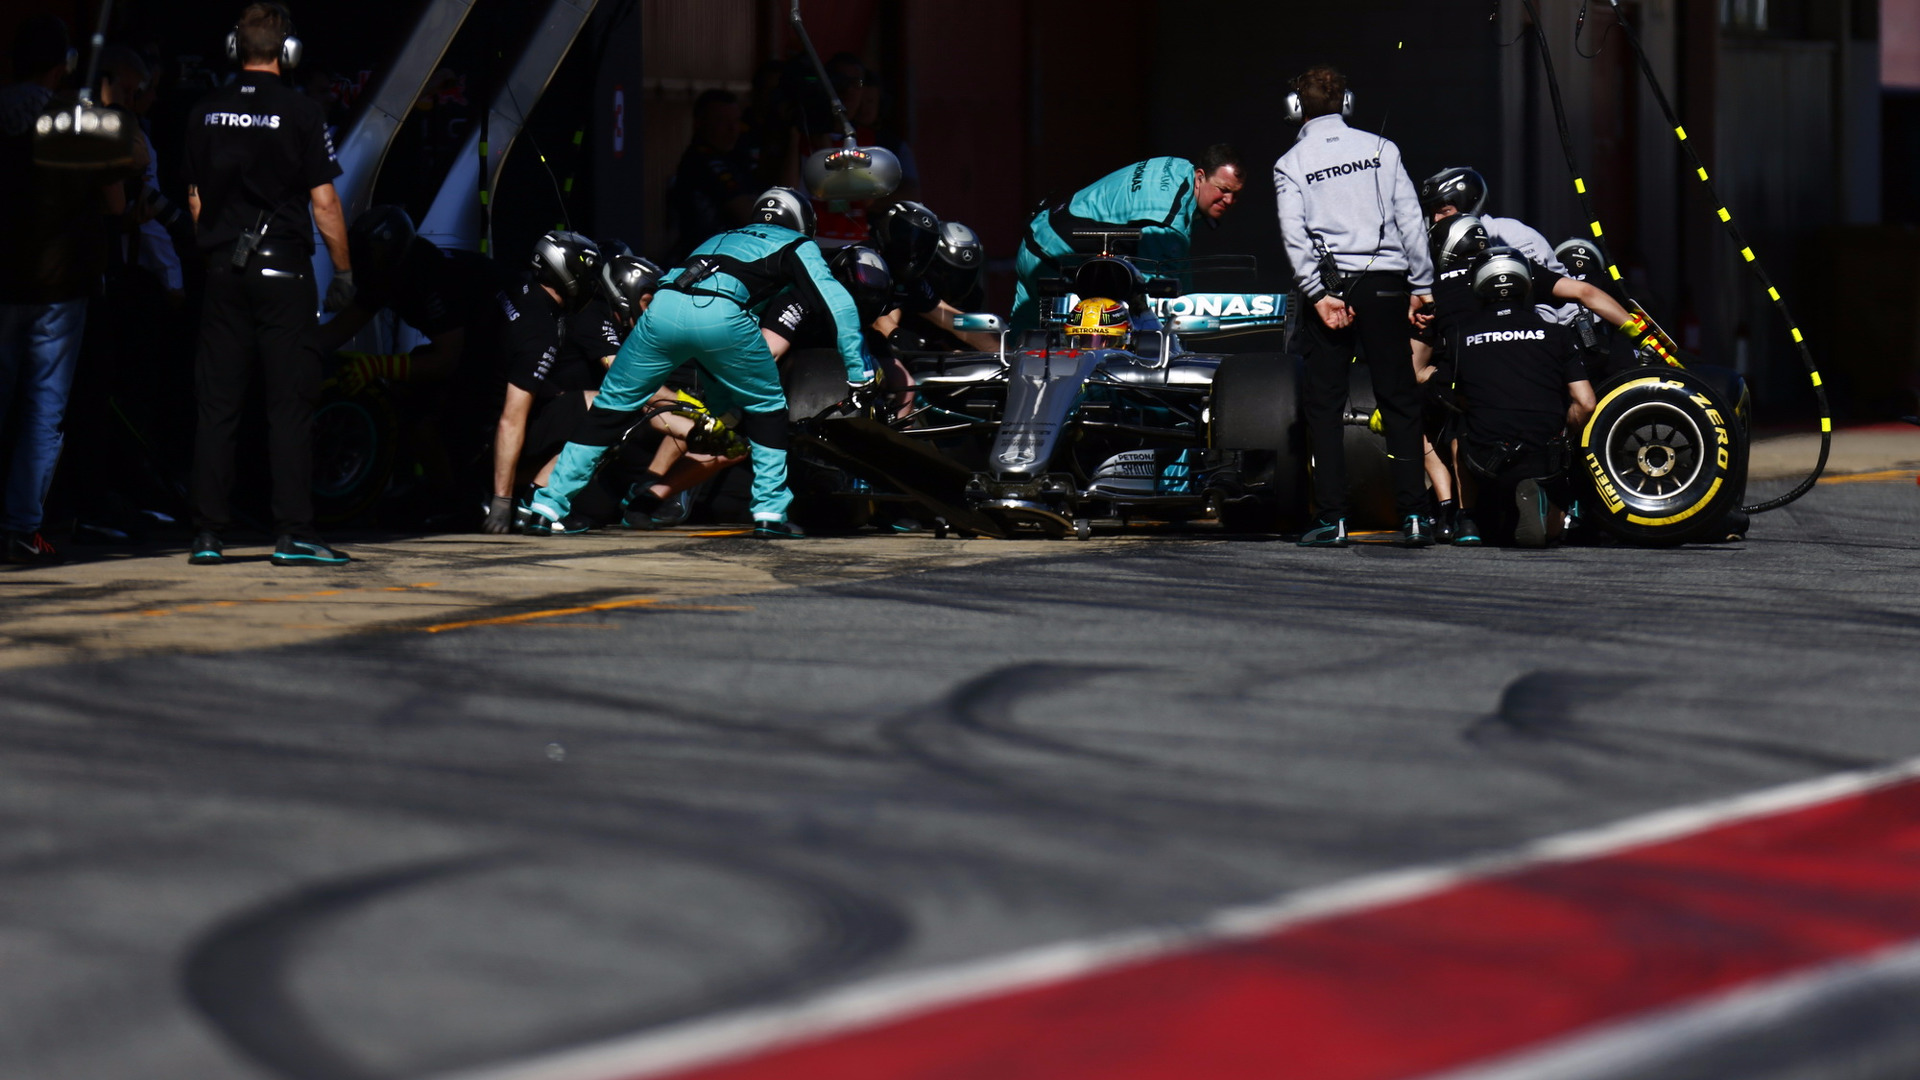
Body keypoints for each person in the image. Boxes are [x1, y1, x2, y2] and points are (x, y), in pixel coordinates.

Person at [521, 187, 873, 540]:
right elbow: (837, 304)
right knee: (767, 409)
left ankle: (546, 507)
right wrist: (860, 373)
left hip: (662, 310)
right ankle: (770, 513)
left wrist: (720, 402)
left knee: (608, 411)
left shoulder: (720, 237)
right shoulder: (797, 244)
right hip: (722, 314)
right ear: (802, 223)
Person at [181, 2, 353, 567]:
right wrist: (345, 273)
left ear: (236, 49)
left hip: (222, 272)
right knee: (289, 405)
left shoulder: (204, 111)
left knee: (218, 405)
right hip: (282, 271)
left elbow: (196, 199)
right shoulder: (302, 113)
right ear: (288, 53)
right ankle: (293, 532)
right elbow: (324, 203)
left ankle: (207, 535)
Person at [1273, 65, 1433, 547]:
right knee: (1399, 399)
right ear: (1347, 103)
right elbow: (1411, 219)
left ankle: (1333, 518)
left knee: (1323, 406)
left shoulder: (1290, 163)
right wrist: (1423, 284)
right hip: (1387, 285)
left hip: (1329, 289)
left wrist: (1318, 295)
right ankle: (1415, 517)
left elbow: (1294, 235)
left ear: (1296, 109)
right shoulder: (1383, 150)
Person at [0, 15, 130, 564]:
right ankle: (20, 527)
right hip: (60, 286)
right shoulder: (81, 122)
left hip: (3, 280)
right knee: (42, 410)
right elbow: (119, 202)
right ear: (62, 68)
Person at [1444, 248, 1596, 548]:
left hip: (1488, 457)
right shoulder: (1557, 334)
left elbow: (1454, 392)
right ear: (1525, 283)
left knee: (1457, 423)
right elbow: (1586, 401)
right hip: (1546, 452)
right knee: (1551, 533)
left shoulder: (1460, 336)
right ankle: (1555, 505)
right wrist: (1565, 435)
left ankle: (1466, 518)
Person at [479, 231, 621, 534]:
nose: (592, 282)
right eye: (589, 272)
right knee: (612, 409)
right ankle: (532, 498)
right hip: (486, 442)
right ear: (569, 272)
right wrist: (501, 500)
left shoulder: (518, 290)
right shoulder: (539, 329)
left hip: (468, 425)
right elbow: (511, 419)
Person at [1013, 146, 1245, 330]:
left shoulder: (1178, 167)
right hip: (1054, 267)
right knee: (1075, 365)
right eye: (1223, 189)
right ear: (1200, 176)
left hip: (1035, 240)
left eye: (1235, 194)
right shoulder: (1166, 219)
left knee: (1016, 358)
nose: (1229, 200)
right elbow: (1161, 299)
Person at [666, 89, 756, 263]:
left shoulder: (734, 157)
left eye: (736, 121)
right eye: (722, 122)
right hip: (708, 262)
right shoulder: (702, 162)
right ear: (700, 123)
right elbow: (749, 215)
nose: (732, 129)